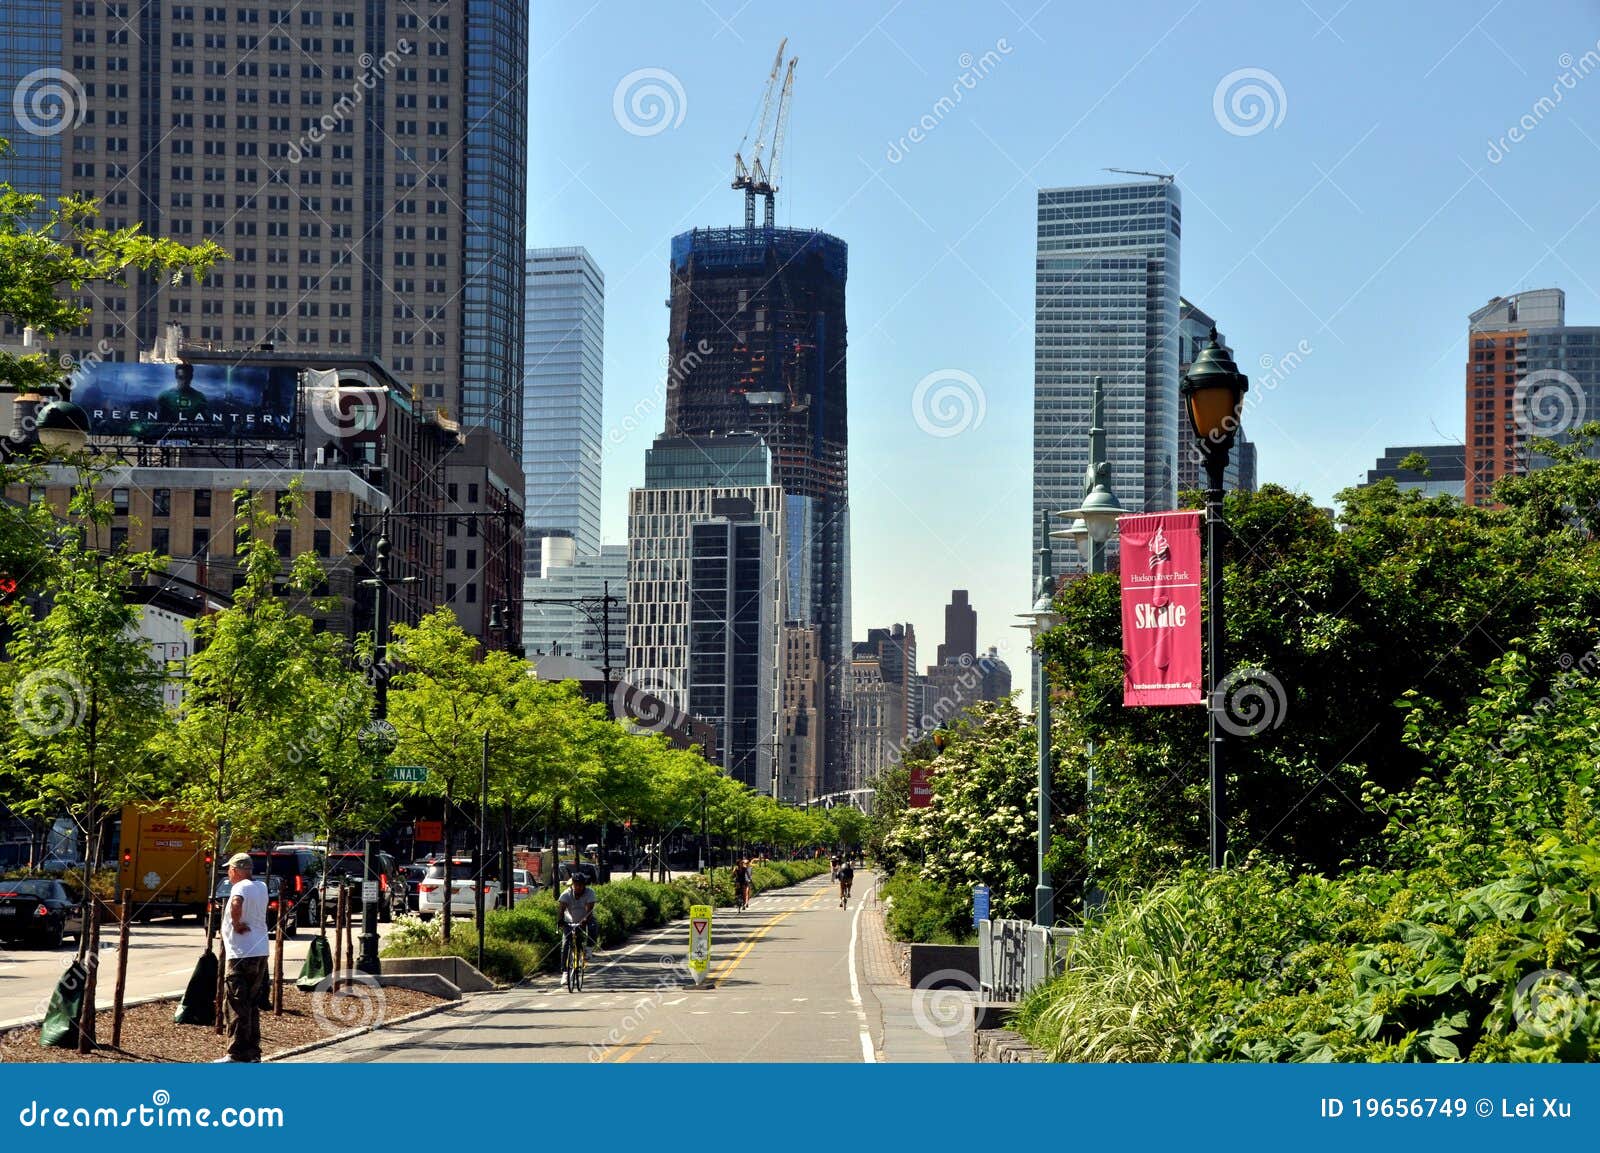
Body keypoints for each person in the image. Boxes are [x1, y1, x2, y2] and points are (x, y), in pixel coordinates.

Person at [215, 852, 269, 1063]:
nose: (228, 873)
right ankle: (253, 1052)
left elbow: (236, 904)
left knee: (236, 1003)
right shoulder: (261, 887)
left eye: (230, 869)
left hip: (241, 953)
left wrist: (236, 924)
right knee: (252, 1004)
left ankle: (235, 1053)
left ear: (236, 870)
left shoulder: (240, 887)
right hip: (260, 950)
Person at [557, 871, 598, 968]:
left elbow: (589, 910)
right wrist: (560, 921)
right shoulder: (566, 894)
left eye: (581, 885)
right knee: (565, 944)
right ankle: (564, 970)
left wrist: (585, 920)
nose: (578, 887)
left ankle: (589, 949)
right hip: (570, 921)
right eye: (576, 885)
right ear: (573, 884)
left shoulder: (590, 893)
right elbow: (561, 910)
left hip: (585, 919)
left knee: (593, 925)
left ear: (584, 885)